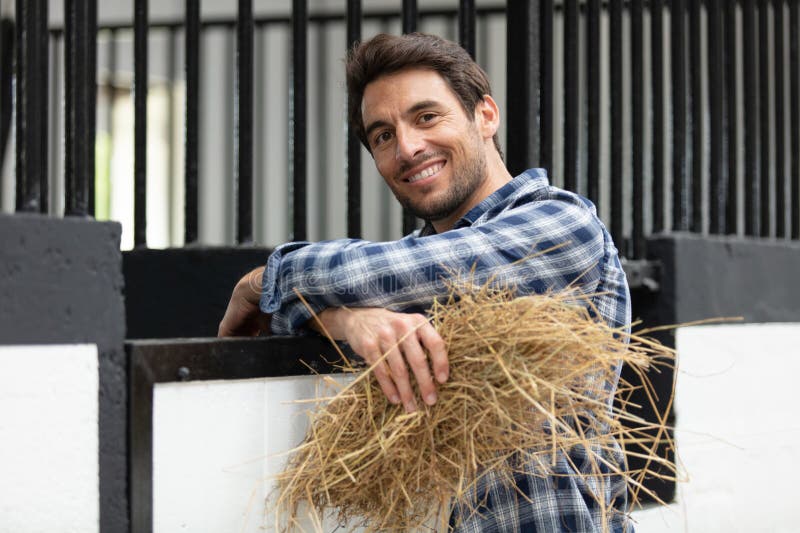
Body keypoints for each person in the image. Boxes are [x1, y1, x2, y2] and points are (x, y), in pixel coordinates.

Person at [219, 32, 632, 532]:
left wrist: (267, 280)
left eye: (426, 117)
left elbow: (417, 270)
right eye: (383, 136)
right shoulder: (384, 293)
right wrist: (347, 318)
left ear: (485, 115)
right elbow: (301, 328)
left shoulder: (562, 226)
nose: (408, 148)